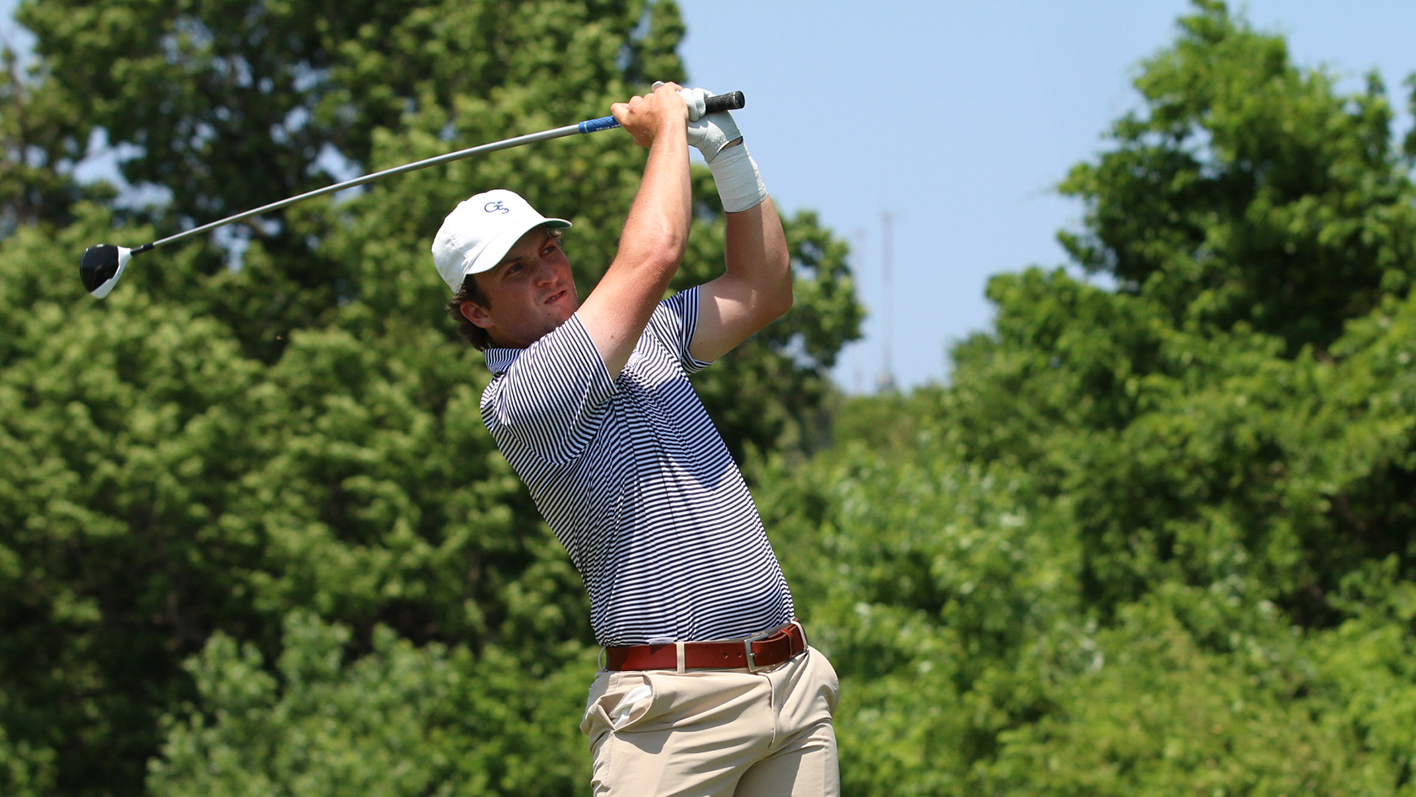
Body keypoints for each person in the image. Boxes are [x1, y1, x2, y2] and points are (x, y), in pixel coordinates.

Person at [430, 82, 840, 797]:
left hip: (790, 688)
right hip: (670, 718)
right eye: (516, 270)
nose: (550, 273)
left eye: (549, 248)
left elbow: (764, 288)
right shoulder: (524, 397)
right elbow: (656, 250)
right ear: (477, 311)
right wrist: (666, 133)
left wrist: (728, 157)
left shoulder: (644, 335)